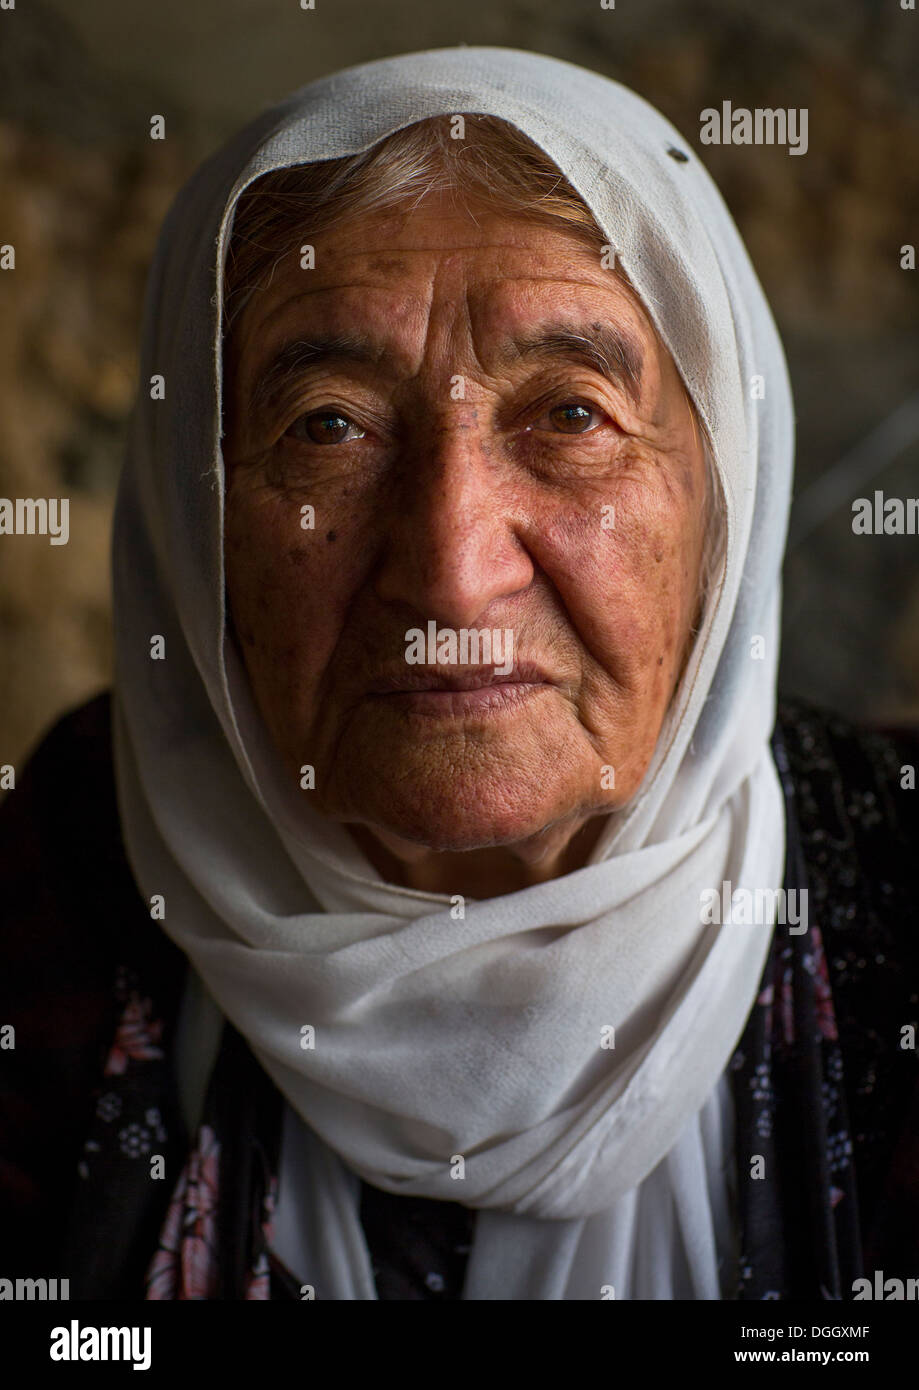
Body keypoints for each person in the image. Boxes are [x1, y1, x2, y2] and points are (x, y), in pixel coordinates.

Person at [1, 46, 917, 1302]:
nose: (450, 570)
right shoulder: (44, 897)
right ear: (194, 516)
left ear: (724, 501)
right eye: (329, 425)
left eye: (571, 415)